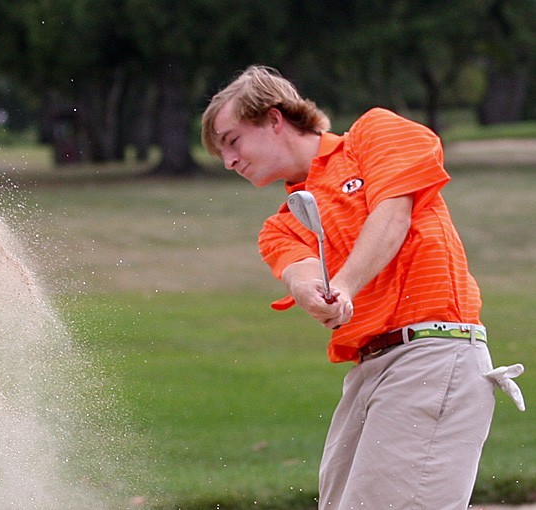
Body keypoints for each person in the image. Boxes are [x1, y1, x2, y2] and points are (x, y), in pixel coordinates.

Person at [200, 65, 525, 509]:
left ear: (274, 119)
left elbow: (393, 215)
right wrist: (315, 293)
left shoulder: (374, 134)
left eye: (232, 140)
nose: (229, 161)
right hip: (371, 371)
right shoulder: (280, 225)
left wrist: (346, 285)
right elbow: (301, 272)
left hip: (432, 352)